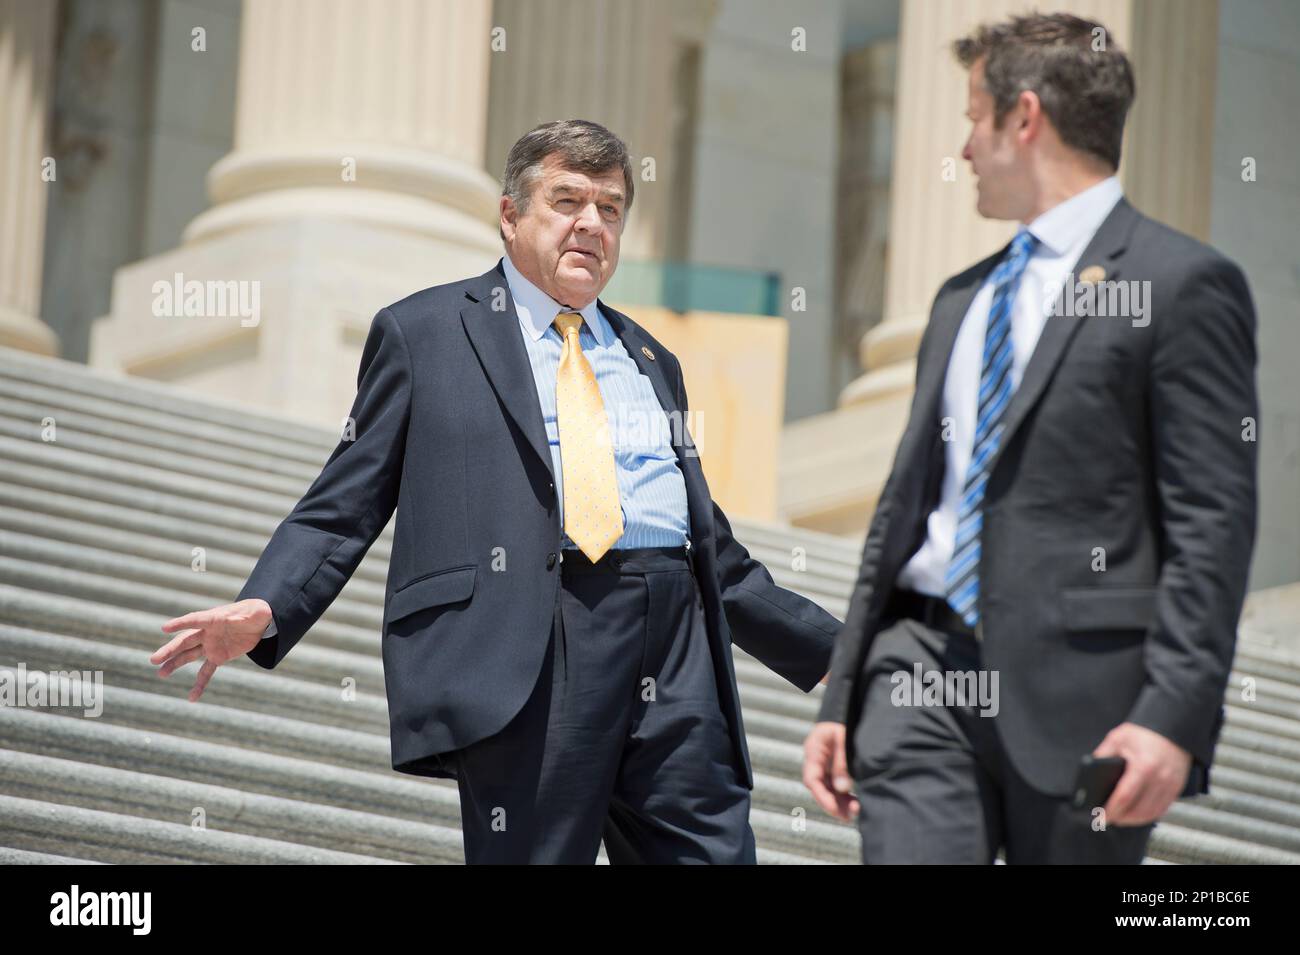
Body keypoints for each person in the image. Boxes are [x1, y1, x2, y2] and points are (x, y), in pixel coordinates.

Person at [153, 119, 840, 864]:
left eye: (609, 208)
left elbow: (712, 546)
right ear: (510, 216)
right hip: (535, 639)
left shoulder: (650, 356)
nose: (591, 224)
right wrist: (269, 602)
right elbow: (346, 497)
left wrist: (834, 652)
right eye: (567, 200)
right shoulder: (427, 331)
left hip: (675, 646)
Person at [802, 13, 1258, 864]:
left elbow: (1212, 526)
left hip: (1089, 705)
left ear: (1024, 118)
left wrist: (1172, 716)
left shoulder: (1182, 284)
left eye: (975, 118)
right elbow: (905, 508)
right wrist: (843, 698)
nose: (965, 148)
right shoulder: (958, 299)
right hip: (920, 671)